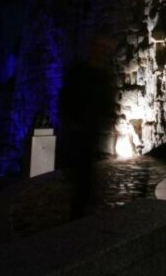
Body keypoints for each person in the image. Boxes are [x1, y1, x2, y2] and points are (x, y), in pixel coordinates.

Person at [57, 37, 117, 219]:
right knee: (79, 173)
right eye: (99, 48)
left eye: (104, 50)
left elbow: (106, 104)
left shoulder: (103, 76)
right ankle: (78, 213)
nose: (101, 52)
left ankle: (80, 212)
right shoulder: (79, 72)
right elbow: (66, 96)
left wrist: (110, 118)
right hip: (77, 130)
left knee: (85, 174)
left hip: (90, 130)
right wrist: (69, 121)